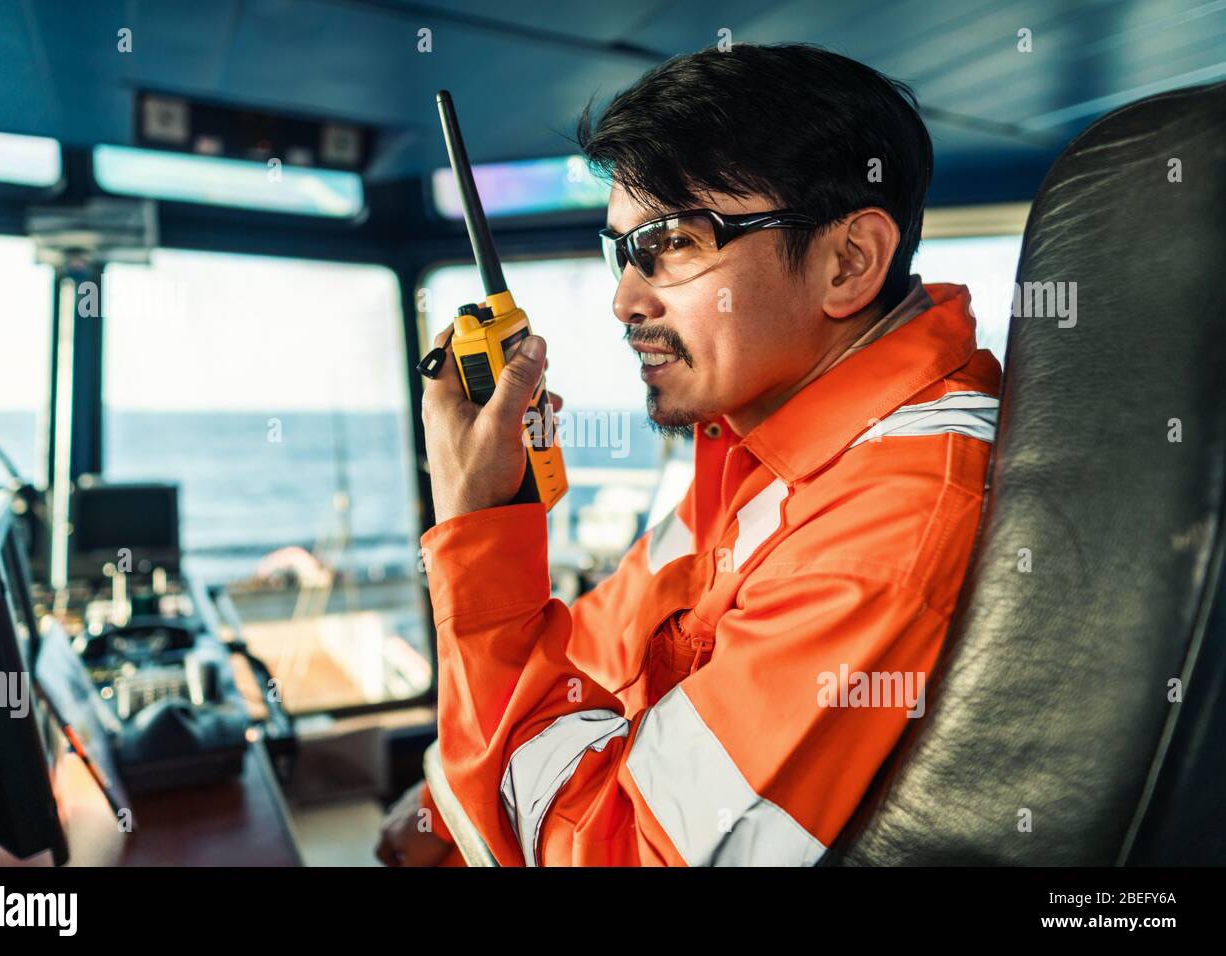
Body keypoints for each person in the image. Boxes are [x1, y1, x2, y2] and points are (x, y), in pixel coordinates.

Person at [380, 41, 1001, 866]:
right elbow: (609, 640)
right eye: (623, 251)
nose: (624, 300)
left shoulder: (893, 516)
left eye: (673, 243)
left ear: (848, 262)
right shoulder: (760, 440)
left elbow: (618, 854)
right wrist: (440, 803)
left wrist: (482, 530)